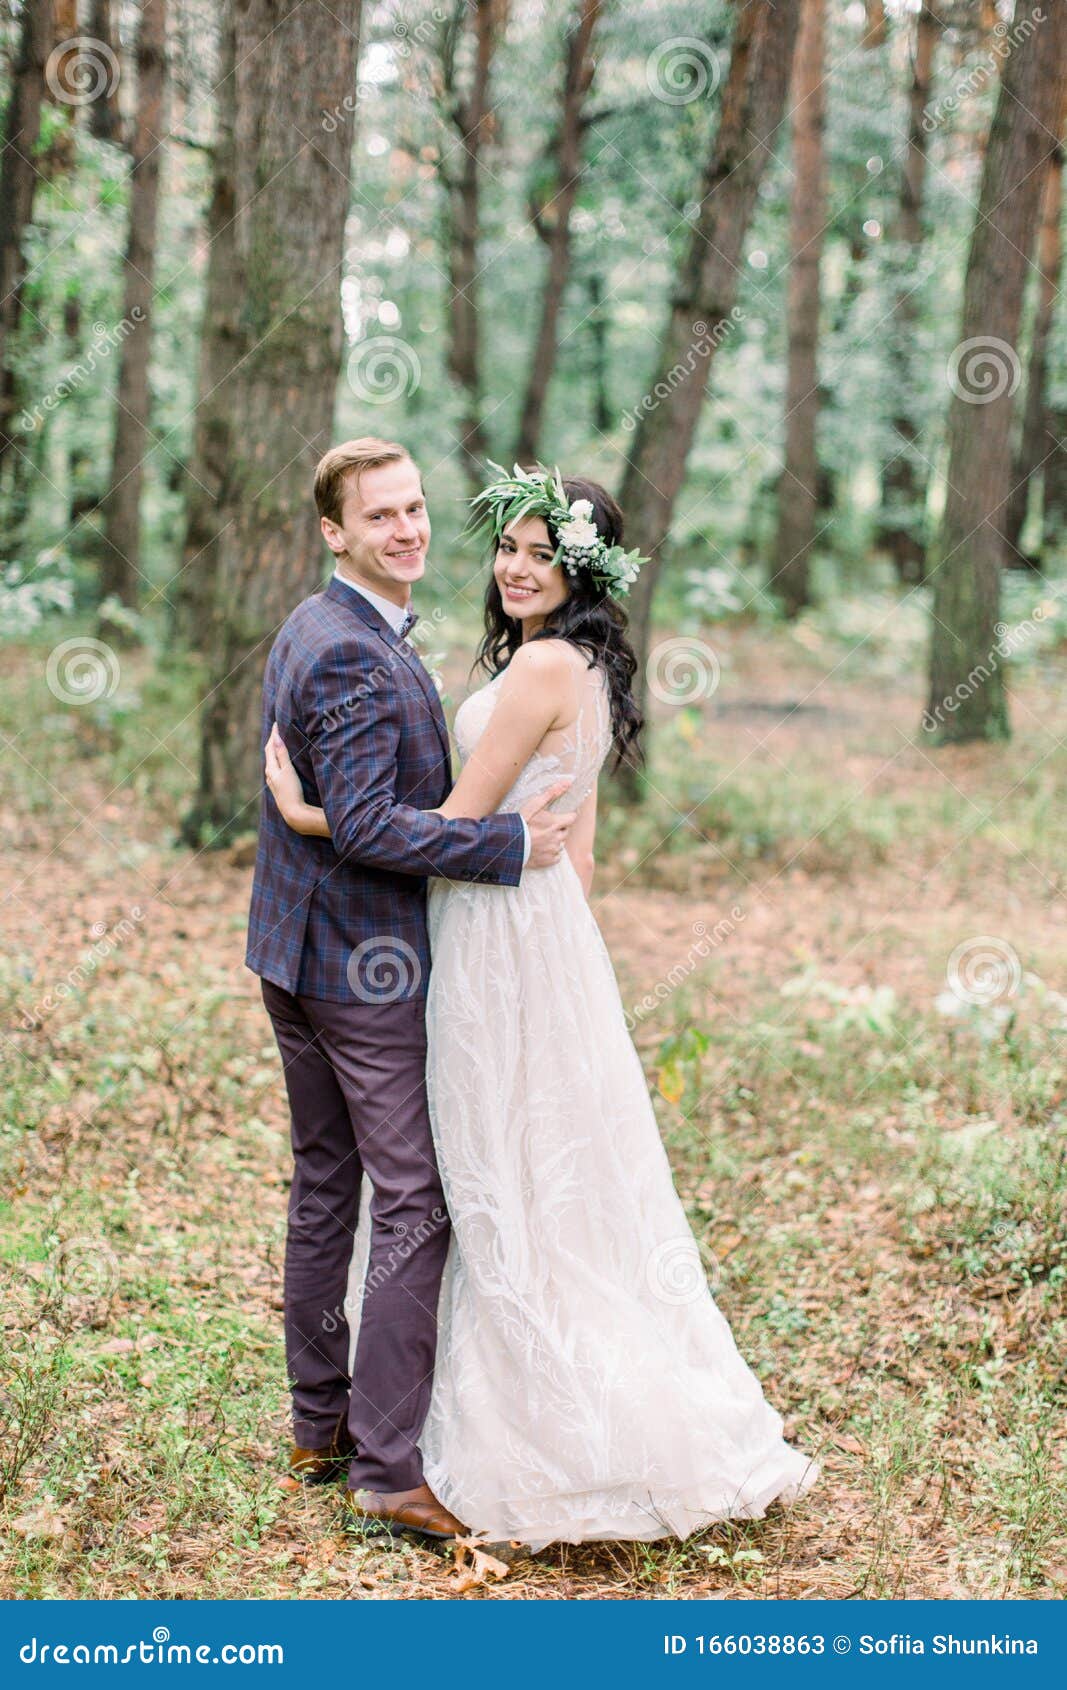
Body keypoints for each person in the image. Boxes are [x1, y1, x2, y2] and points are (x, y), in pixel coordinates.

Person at [266, 459, 820, 1548]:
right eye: (508, 548)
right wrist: (569, 967)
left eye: (542, 555)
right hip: (531, 926)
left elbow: (443, 827)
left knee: (472, 1170)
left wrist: (307, 810)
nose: (516, 568)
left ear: (583, 572)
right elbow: (575, 851)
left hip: (488, 925)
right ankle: (373, 1422)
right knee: (510, 1168)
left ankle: (422, 1427)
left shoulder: (534, 672)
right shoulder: (568, 666)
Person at [247, 439, 576, 1545]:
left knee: (326, 1184)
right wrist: (510, 839)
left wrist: (305, 818)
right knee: (415, 1200)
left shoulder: (327, 624)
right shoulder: (343, 646)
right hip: (355, 965)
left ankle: (317, 1424)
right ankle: (388, 1465)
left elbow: (351, 801)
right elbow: (380, 827)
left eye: (416, 508)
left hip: (295, 952)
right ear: (333, 533)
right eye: (379, 515)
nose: (408, 529)